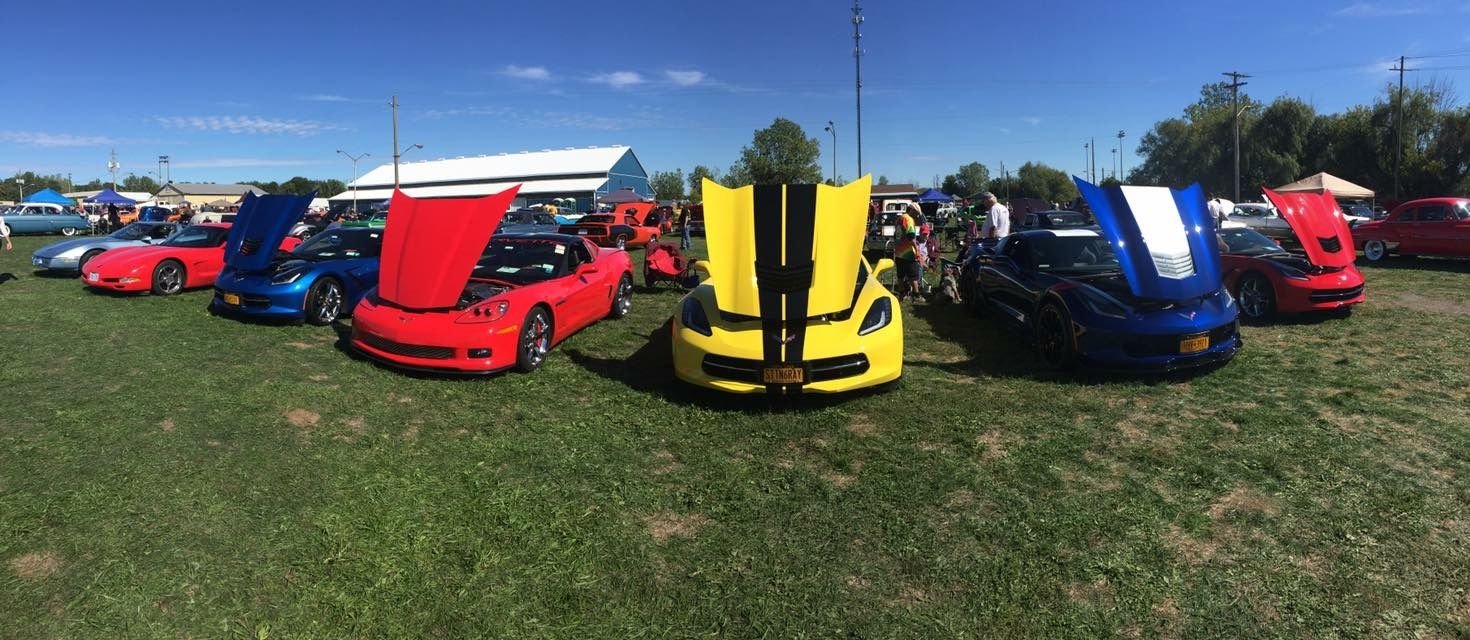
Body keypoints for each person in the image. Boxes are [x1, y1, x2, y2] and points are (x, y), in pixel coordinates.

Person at [893, 230, 921, 302]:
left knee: (900, 276)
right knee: (913, 277)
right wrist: (917, 252)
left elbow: (895, 238)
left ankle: (902, 294)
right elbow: (912, 240)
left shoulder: (898, 224)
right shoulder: (909, 223)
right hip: (909, 256)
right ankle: (916, 295)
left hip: (899, 254)